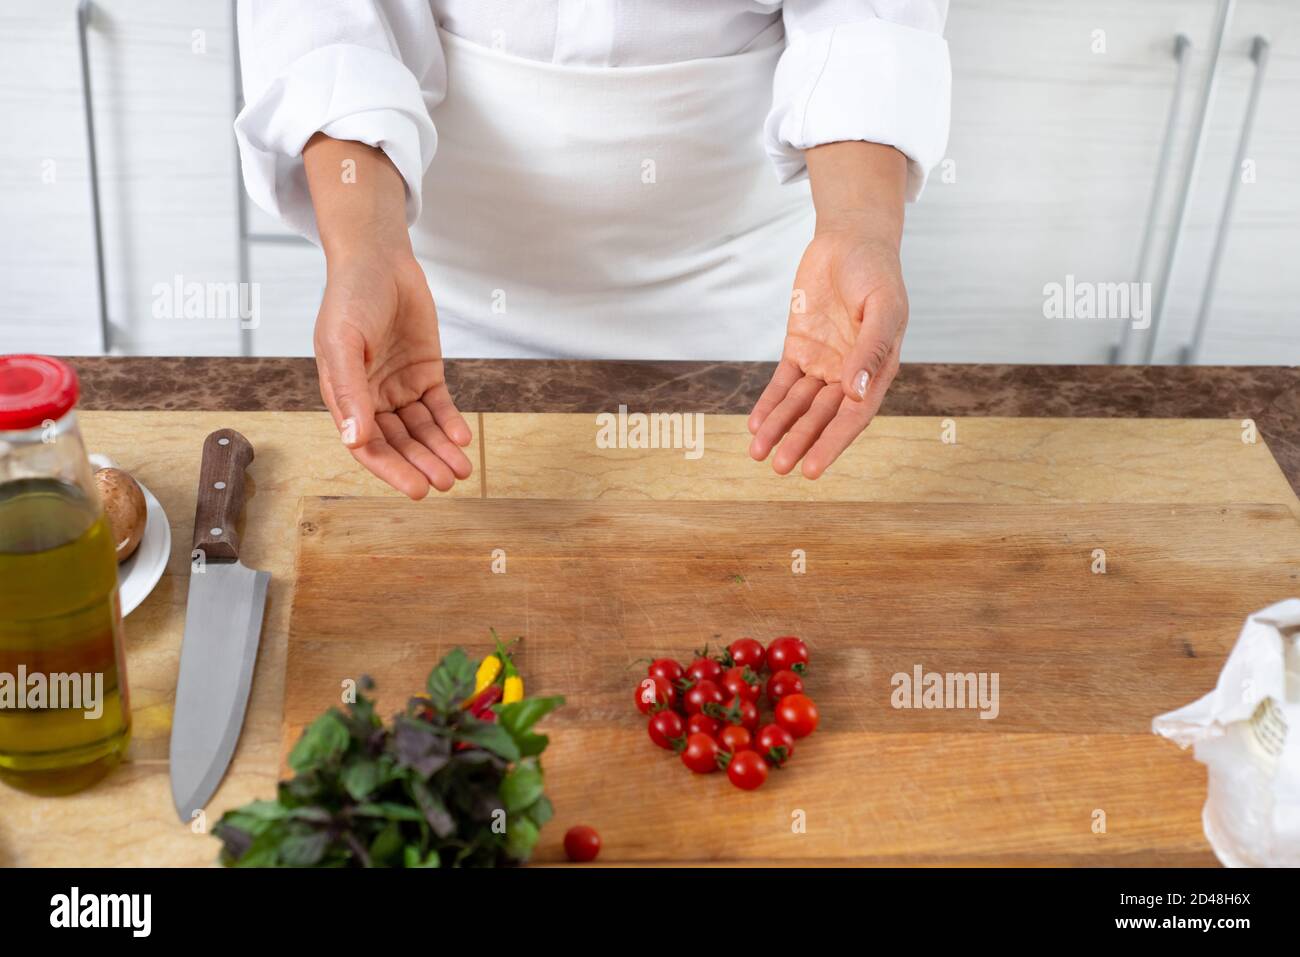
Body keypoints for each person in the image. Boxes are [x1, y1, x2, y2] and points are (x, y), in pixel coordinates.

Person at [235, 1, 950, 498]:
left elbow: (863, 17)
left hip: (769, 324)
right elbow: (327, 20)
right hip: (425, 320)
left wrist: (858, 224)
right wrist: (366, 247)